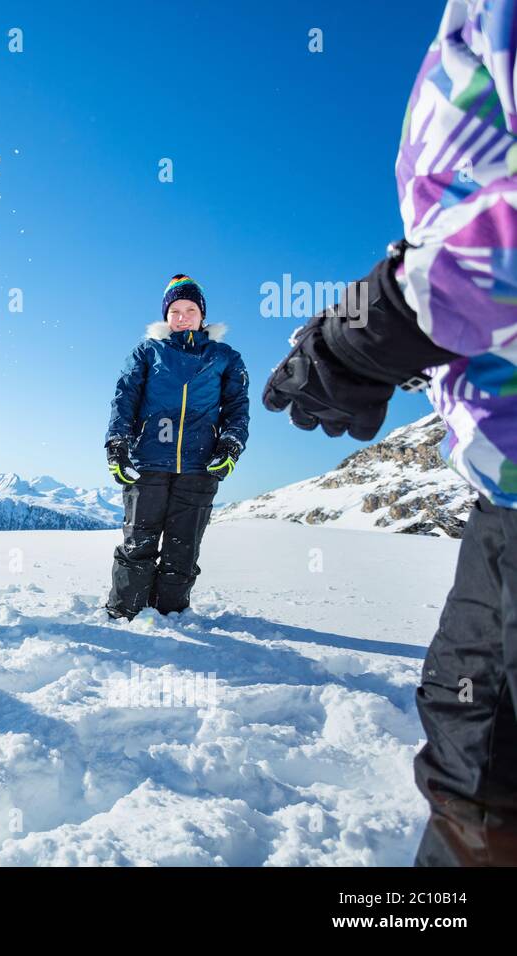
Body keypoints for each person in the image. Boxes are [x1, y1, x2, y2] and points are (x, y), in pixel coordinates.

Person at [262, 0, 517, 866]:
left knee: (479, 779)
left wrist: (369, 333)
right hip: (505, 489)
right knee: (473, 768)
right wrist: (413, 353)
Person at [104, 275, 250, 620]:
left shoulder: (225, 357)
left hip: (201, 466)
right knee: (139, 542)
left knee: (182, 549)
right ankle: (124, 613)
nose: (183, 316)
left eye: (190, 309)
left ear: (203, 315)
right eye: (175, 310)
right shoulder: (147, 352)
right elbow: (124, 399)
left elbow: (237, 408)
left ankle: (170, 616)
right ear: (166, 316)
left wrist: (230, 446)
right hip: (148, 463)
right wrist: (117, 444)